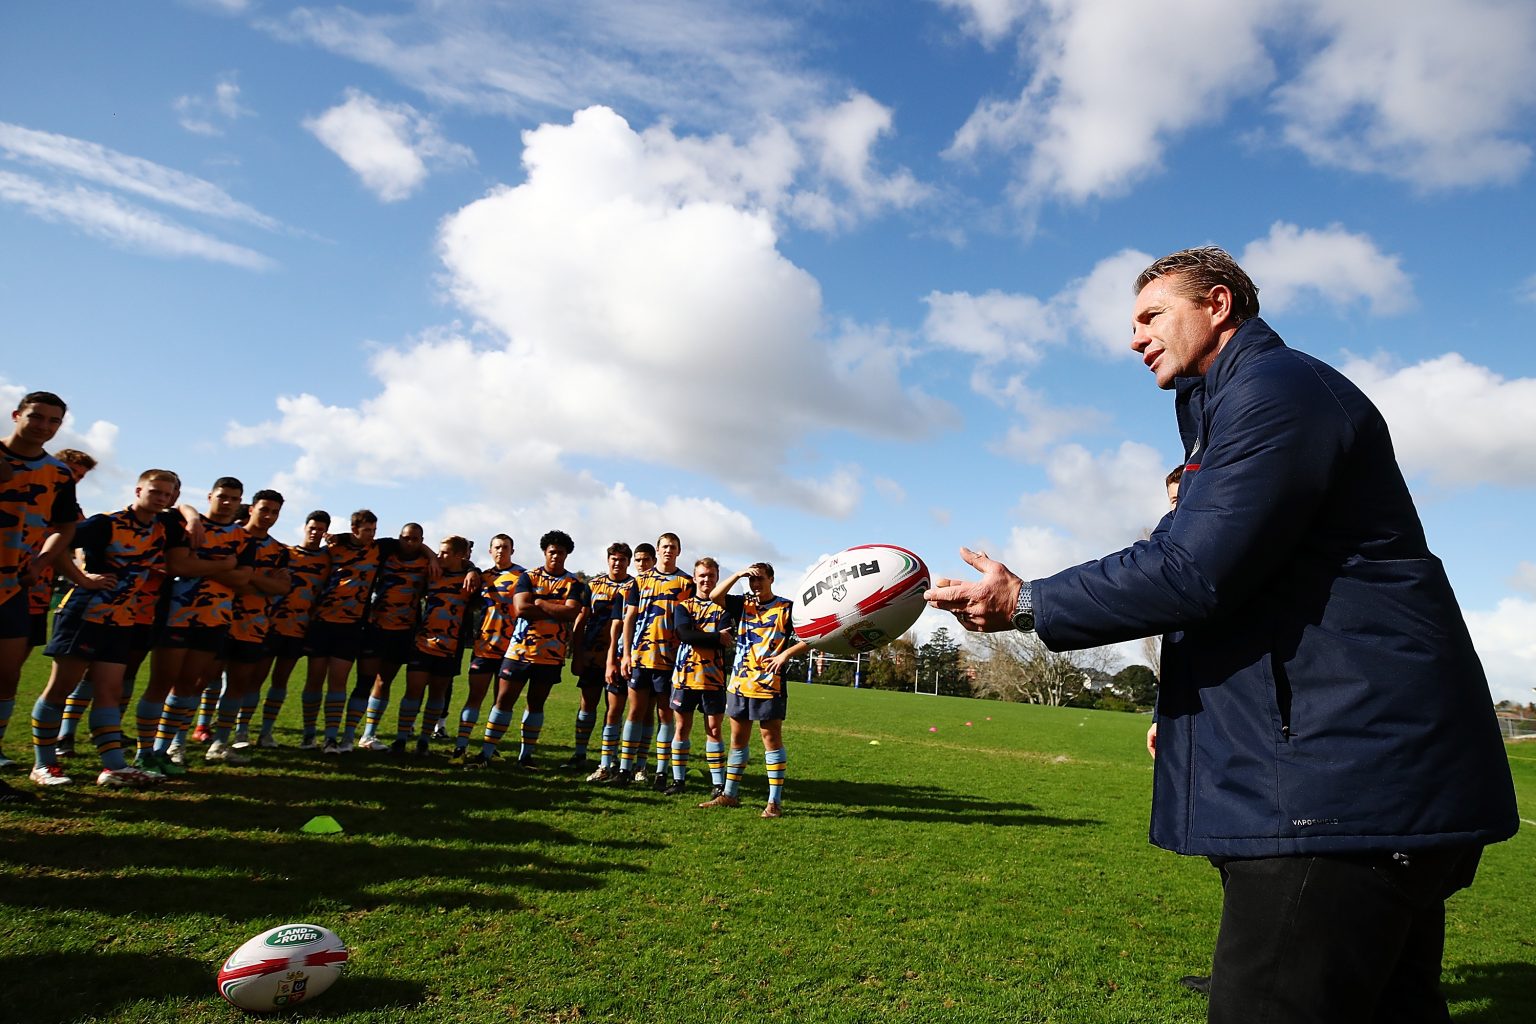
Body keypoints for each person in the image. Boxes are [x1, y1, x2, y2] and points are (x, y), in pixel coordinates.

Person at [925, 246, 1519, 1022]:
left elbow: (1192, 571)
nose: (1134, 338)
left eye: (1151, 316)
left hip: (1336, 791)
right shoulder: (1232, 407)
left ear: (1217, 304)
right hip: (1360, 783)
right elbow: (1210, 576)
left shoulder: (1277, 392)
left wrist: (1025, 601)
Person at [28, 469, 179, 789]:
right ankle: (43, 765)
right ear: (138, 491)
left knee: (109, 692)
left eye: (167, 494)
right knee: (60, 689)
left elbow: (187, 517)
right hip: (84, 614)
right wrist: (81, 578)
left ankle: (114, 767)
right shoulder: (106, 523)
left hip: (122, 620)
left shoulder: (161, 527)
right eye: (155, 491)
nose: (161, 498)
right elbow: (56, 537)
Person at [0, 391, 81, 798]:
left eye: (53, 421)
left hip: (13, 587)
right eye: (36, 416)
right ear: (17, 415)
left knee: (6, 676)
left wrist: (42, 560)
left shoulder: (58, 473)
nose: (43, 426)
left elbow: (65, 526)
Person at [145, 476, 255, 767]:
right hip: (176, 616)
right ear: (210, 496)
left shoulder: (244, 539)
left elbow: (242, 579)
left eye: (234, 498)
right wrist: (222, 565)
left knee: (188, 685)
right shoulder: (187, 525)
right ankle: (145, 752)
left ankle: (167, 749)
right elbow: (177, 565)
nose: (227, 502)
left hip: (214, 620)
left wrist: (200, 566)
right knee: (161, 683)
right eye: (222, 496)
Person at [471, 530, 584, 769]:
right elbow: (521, 608)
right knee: (503, 701)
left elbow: (571, 613)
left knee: (536, 704)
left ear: (567, 555)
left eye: (561, 552)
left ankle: (526, 757)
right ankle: (486, 753)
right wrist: (555, 608)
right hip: (519, 651)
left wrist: (540, 602)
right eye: (552, 552)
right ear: (545, 552)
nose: (556, 556)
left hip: (551, 655)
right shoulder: (528, 576)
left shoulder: (573, 582)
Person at [209, 490, 291, 764]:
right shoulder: (229, 537)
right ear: (251, 508)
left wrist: (246, 576)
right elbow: (218, 574)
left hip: (253, 626)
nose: (269, 516)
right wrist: (261, 581)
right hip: (214, 619)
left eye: (275, 512)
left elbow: (281, 588)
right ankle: (175, 744)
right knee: (197, 682)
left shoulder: (279, 551)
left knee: (237, 685)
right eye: (264, 509)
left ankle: (220, 743)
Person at [614, 534, 691, 787]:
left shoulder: (686, 582)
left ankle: (660, 772)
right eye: (665, 546)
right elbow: (629, 618)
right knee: (635, 712)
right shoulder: (640, 581)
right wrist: (626, 654)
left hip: (670, 661)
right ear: (657, 550)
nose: (668, 550)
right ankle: (625, 769)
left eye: (673, 547)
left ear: (679, 551)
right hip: (640, 657)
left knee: (665, 716)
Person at [250, 510, 331, 747]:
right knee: (256, 679)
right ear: (304, 527)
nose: (315, 533)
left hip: (298, 629)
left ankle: (266, 732)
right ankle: (242, 730)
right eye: (312, 528)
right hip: (271, 625)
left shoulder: (327, 560)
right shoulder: (285, 553)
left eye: (320, 530)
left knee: (281, 681)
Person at [394, 536, 478, 756]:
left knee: (438, 693)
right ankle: (401, 739)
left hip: (450, 646)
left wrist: (472, 570)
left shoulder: (470, 579)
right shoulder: (432, 572)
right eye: (439, 552)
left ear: (459, 555)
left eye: (445, 553)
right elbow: (416, 547)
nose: (439, 556)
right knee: (413, 690)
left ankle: (424, 741)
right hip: (423, 642)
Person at [351, 523, 430, 750]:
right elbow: (360, 541)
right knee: (364, 682)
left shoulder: (426, 563)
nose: (409, 542)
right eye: (406, 538)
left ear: (421, 541)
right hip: (375, 627)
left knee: (384, 681)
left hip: (403, 631)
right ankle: (347, 735)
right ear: (399, 538)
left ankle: (368, 734)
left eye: (415, 539)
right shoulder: (385, 554)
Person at [449, 534, 523, 765]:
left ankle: (490, 750)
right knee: (474, 697)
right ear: (490, 551)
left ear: (512, 550)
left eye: (505, 547)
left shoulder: (523, 576)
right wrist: (472, 570)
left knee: (501, 701)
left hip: (511, 650)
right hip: (484, 647)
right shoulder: (482, 577)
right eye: (497, 547)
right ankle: (460, 747)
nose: (501, 551)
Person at [666, 557, 732, 797]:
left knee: (714, 730)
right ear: (694, 578)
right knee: (681, 727)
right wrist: (714, 637)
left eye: (711, 576)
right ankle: (678, 780)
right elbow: (685, 635)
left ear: (717, 578)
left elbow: (725, 640)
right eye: (702, 575)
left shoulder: (723, 609)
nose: (706, 580)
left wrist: (703, 636)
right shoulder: (683, 606)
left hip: (713, 679)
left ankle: (718, 784)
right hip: (685, 678)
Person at [569, 540, 633, 775]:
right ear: (608, 560)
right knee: (587, 704)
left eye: (622, 560)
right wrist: (577, 653)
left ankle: (610, 757)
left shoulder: (634, 587)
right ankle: (580, 754)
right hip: (592, 655)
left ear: (628, 562)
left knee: (614, 709)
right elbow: (581, 619)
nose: (617, 563)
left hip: (618, 657)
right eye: (614, 559)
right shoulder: (594, 585)